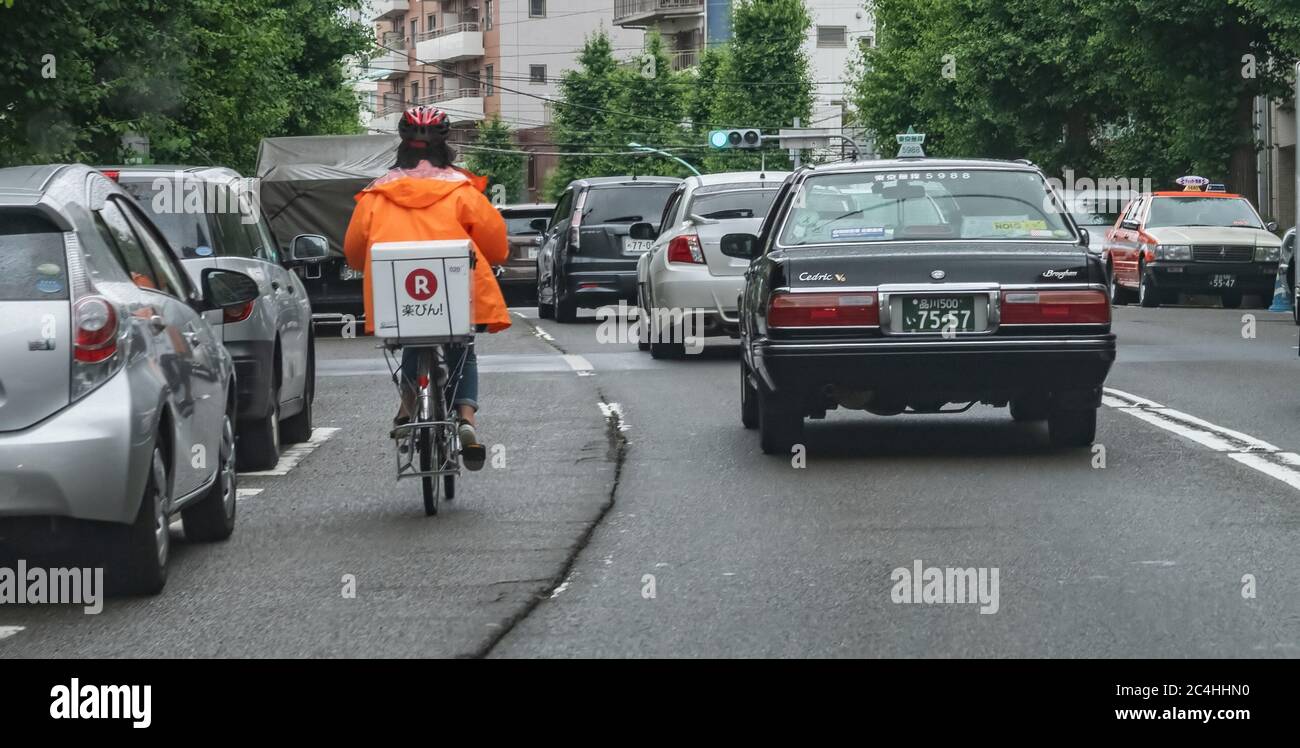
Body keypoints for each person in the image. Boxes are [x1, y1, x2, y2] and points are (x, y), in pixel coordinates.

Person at [343, 105, 511, 470]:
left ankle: (407, 408)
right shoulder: (464, 192)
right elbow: (497, 247)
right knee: (461, 346)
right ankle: (466, 419)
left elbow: (354, 253)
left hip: (398, 297)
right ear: (444, 148)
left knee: (409, 332)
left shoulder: (376, 195)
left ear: (402, 148)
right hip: (455, 295)